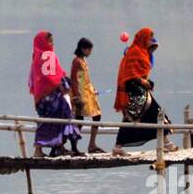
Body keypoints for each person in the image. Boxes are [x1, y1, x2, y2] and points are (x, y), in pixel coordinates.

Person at [112, 27, 177, 156]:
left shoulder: (142, 52)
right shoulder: (134, 52)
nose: (149, 42)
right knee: (136, 118)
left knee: (154, 114)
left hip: (142, 92)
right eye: (148, 39)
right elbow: (130, 74)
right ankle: (165, 142)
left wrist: (146, 82)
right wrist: (143, 82)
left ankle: (165, 142)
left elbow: (141, 73)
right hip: (134, 92)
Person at [29, 30, 80, 157]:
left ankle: (55, 146)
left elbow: (48, 74)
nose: (52, 43)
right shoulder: (48, 55)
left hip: (41, 96)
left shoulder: (37, 55)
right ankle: (46, 148)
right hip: (50, 96)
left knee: (48, 120)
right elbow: (49, 76)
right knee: (61, 116)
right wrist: (60, 86)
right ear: (43, 42)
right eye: (50, 41)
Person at [70, 38, 103, 154]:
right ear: (82, 49)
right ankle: (74, 147)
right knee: (79, 120)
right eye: (89, 50)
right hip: (80, 94)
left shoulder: (83, 61)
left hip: (88, 93)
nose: (90, 52)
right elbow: (73, 79)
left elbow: (85, 78)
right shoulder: (76, 61)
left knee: (97, 116)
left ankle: (92, 145)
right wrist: (76, 96)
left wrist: (93, 90)